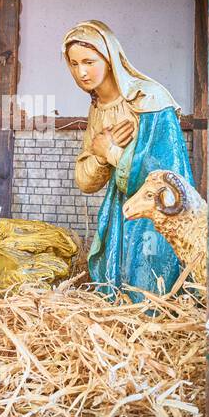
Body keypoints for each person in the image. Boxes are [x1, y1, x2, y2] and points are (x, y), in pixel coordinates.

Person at [64, 20, 195, 299]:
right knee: (117, 289)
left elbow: (168, 177)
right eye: (74, 64)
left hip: (154, 220)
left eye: (89, 61)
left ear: (109, 59)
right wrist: (101, 155)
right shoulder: (98, 107)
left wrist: (112, 152)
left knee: (148, 289)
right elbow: (85, 180)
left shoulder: (149, 100)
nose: (82, 72)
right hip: (120, 210)